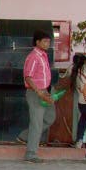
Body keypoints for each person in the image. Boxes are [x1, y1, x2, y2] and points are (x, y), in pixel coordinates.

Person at [16, 31, 55, 163]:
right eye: (44, 41)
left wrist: (45, 91)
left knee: (50, 117)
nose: (47, 44)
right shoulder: (33, 56)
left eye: (49, 42)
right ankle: (31, 154)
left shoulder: (43, 55)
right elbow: (28, 77)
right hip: (36, 93)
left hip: (44, 91)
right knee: (37, 123)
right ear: (37, 42)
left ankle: (25, 136)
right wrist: (39, 92)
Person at [61, 53, 86, 164]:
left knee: (84, 118)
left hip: (83, 104)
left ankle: (79, 141)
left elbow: (64, 76)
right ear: (85, 59)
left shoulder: (73, 70)